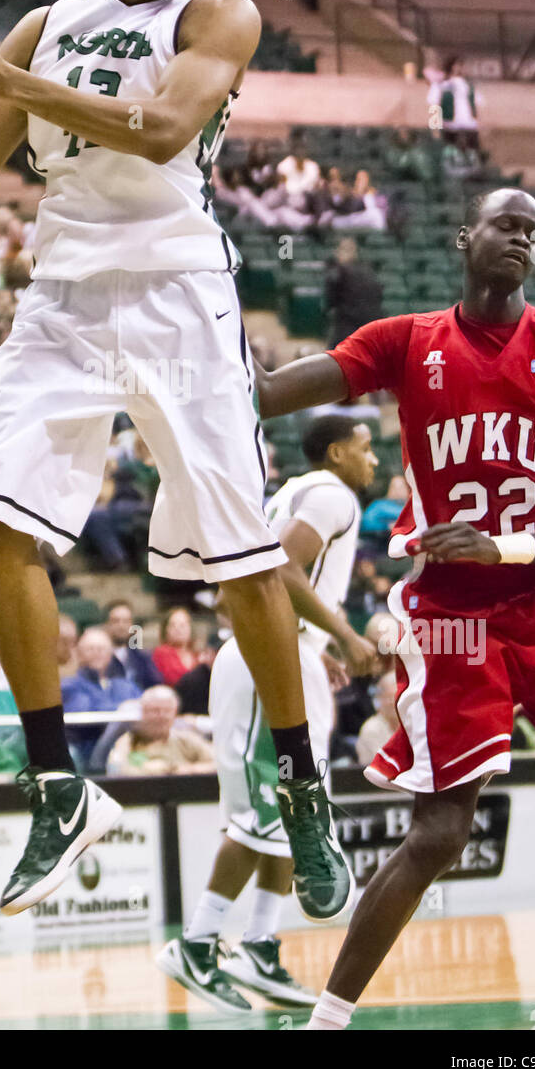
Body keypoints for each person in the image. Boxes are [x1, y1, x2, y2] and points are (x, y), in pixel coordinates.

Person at [0, 0, 351, 918]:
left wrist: (2, 86)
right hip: (62, 292)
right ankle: (59, 787)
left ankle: (299, 786)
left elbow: (160, 130)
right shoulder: (43, 23)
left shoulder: (221, 13)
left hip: (179, 290)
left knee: (242, 559)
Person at [256, 186, 535, 1031]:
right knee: (438, 833)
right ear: (465, 234)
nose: (523, 240)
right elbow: (270, 391)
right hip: (457, 616)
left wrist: (509, 547)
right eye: (507, 225)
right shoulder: (406, 342)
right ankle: (330, 1018)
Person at [159, 414, 378, 1013]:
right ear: (335, 453)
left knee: (289, 817)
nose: (374, 460)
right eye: (364, 449)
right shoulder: (332, 494)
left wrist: (318, 645)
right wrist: (346, 635)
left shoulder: (298, 491)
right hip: (266, 662)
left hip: (288, 654)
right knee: (265, 810)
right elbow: (280, 566)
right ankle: (199, 945)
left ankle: (257, 944)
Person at [60, 627, 141, 768]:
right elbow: (84, 712)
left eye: (101, 649)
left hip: (131, 748)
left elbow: (144, 707)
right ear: (79, 654)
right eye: (90, 649)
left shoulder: (125, 685)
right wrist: (121, 709)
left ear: (110, 655)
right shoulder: (70, 685)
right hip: (89, 753)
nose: (96, 653)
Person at [106, 685, 215, 775]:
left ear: (175, 713)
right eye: (155, 711)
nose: (161, 716)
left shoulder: (186, 739)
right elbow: (116, 770)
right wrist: (152, 771)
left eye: (167, 711)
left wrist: (186, 770)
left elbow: (219, 763)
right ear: (143, 712)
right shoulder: (129, 741)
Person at [323, 237, 384, 348]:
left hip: (347, 328)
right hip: (369, 329)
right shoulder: (369, 271)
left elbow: (330, 301)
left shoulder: (338, 271)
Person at [104, 599, 162, 690]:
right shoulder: (99, 657)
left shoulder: (142, 657)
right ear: (107, 624)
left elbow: (156, 685)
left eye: (126, 621)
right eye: (116, 621)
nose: (121, 626)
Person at [355, 671, 400, 767]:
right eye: (388, 697)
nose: (392, 702)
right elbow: (387, 766)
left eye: (396, 697)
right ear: (379, 699)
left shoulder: (414, 725)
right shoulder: (371, 728)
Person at [152, 607, 201, 686]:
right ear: (165, 630)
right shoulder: (161, 653)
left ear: (191, 629)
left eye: (182, 625)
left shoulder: (197, 655)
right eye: (172, 625)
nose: (177, 629)